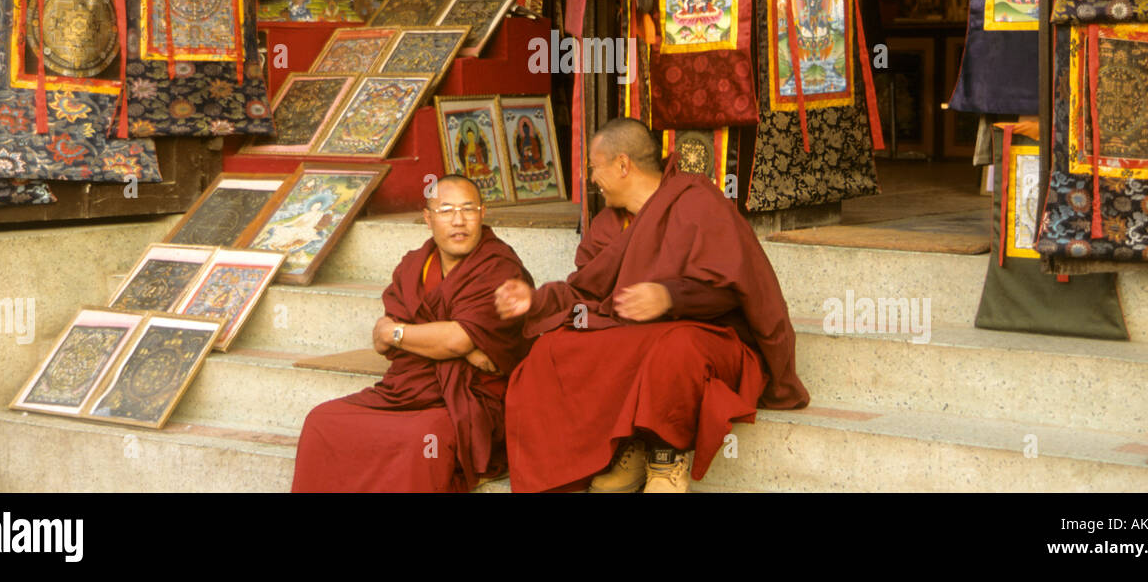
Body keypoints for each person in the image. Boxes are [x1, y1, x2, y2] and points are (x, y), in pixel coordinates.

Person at [495, 118, 808, 493]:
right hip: (638, 337)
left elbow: (734, 287)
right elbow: (585, 292)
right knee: (553, 347)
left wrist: (670, 296)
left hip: (712, 337)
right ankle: (620, 447)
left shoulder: (696, 201)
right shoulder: (609, 225)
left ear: (623, 165)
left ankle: (666, 461)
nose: (592, 179)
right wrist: (536, 299)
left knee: (673, 348)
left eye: (595, 167)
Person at [291, 175, 533, 492]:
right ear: (428, 218)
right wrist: (454, 343)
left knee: (424, 440)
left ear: (483, 213)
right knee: (322, 420)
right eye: (446, 211)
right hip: (406, 391)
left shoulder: (498, 266)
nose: (458, 221)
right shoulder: (414, 265)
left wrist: (404, 334)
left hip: (470, 402)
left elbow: (454, 339)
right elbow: (381, 341)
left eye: (468, 209)